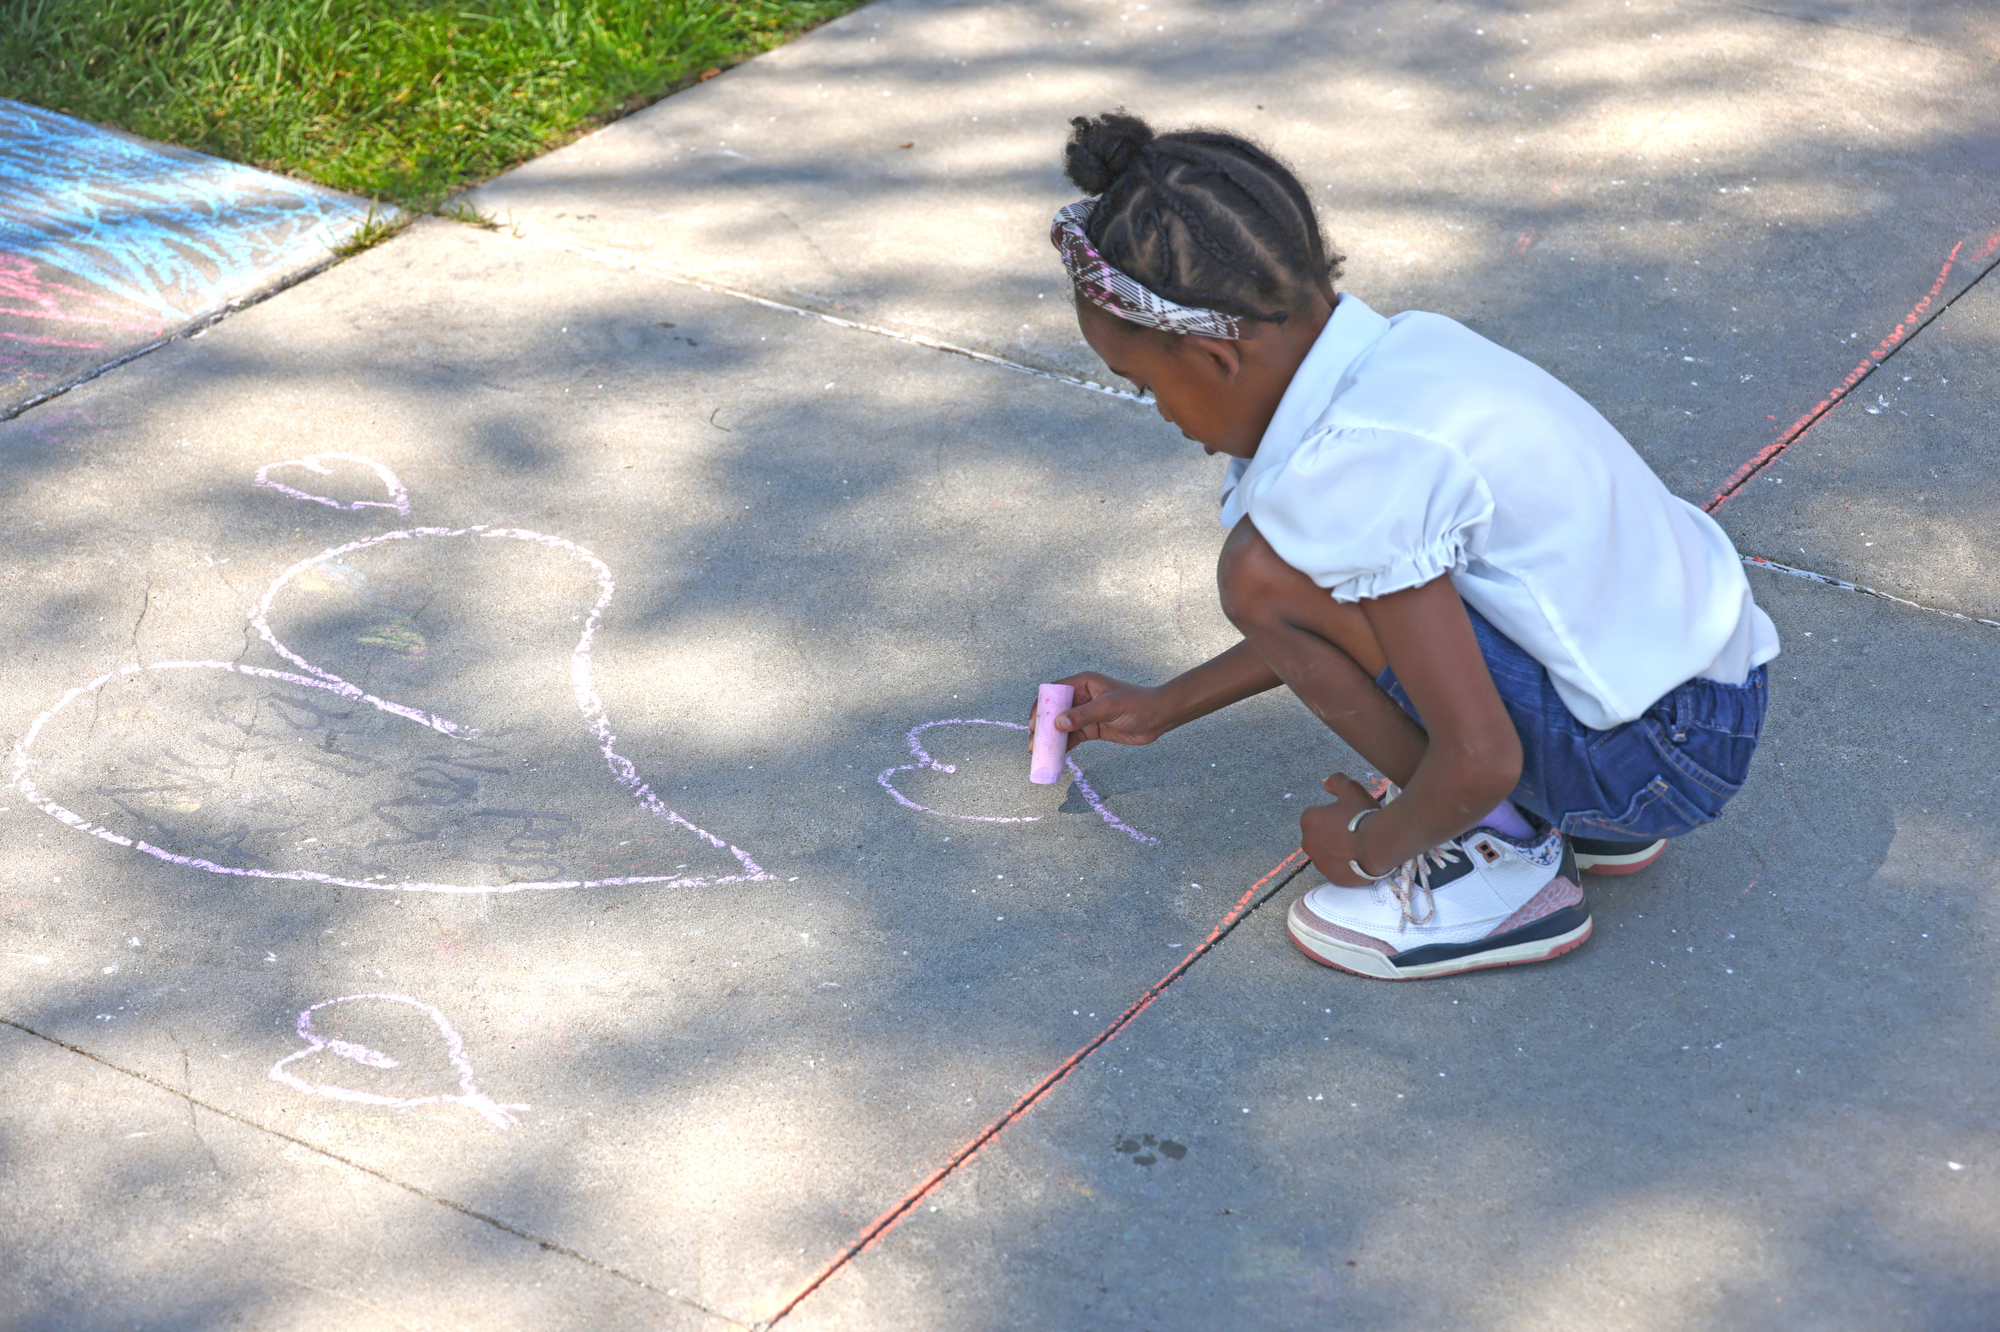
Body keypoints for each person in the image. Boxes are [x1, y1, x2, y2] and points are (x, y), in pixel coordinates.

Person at [1046, 111, 1777, 980]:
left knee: (1258, 572)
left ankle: (1503, 862)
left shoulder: (1355, 465)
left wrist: (1369, 843)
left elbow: (1478, 755)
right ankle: (1571, 809)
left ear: (1212, 358)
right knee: (1290, 570)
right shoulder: (1407, 357)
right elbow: (1350, 611)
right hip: (1701, 705)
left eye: (1144, 386)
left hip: (1651, 759)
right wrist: (1167, 705)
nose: (1161, 413)